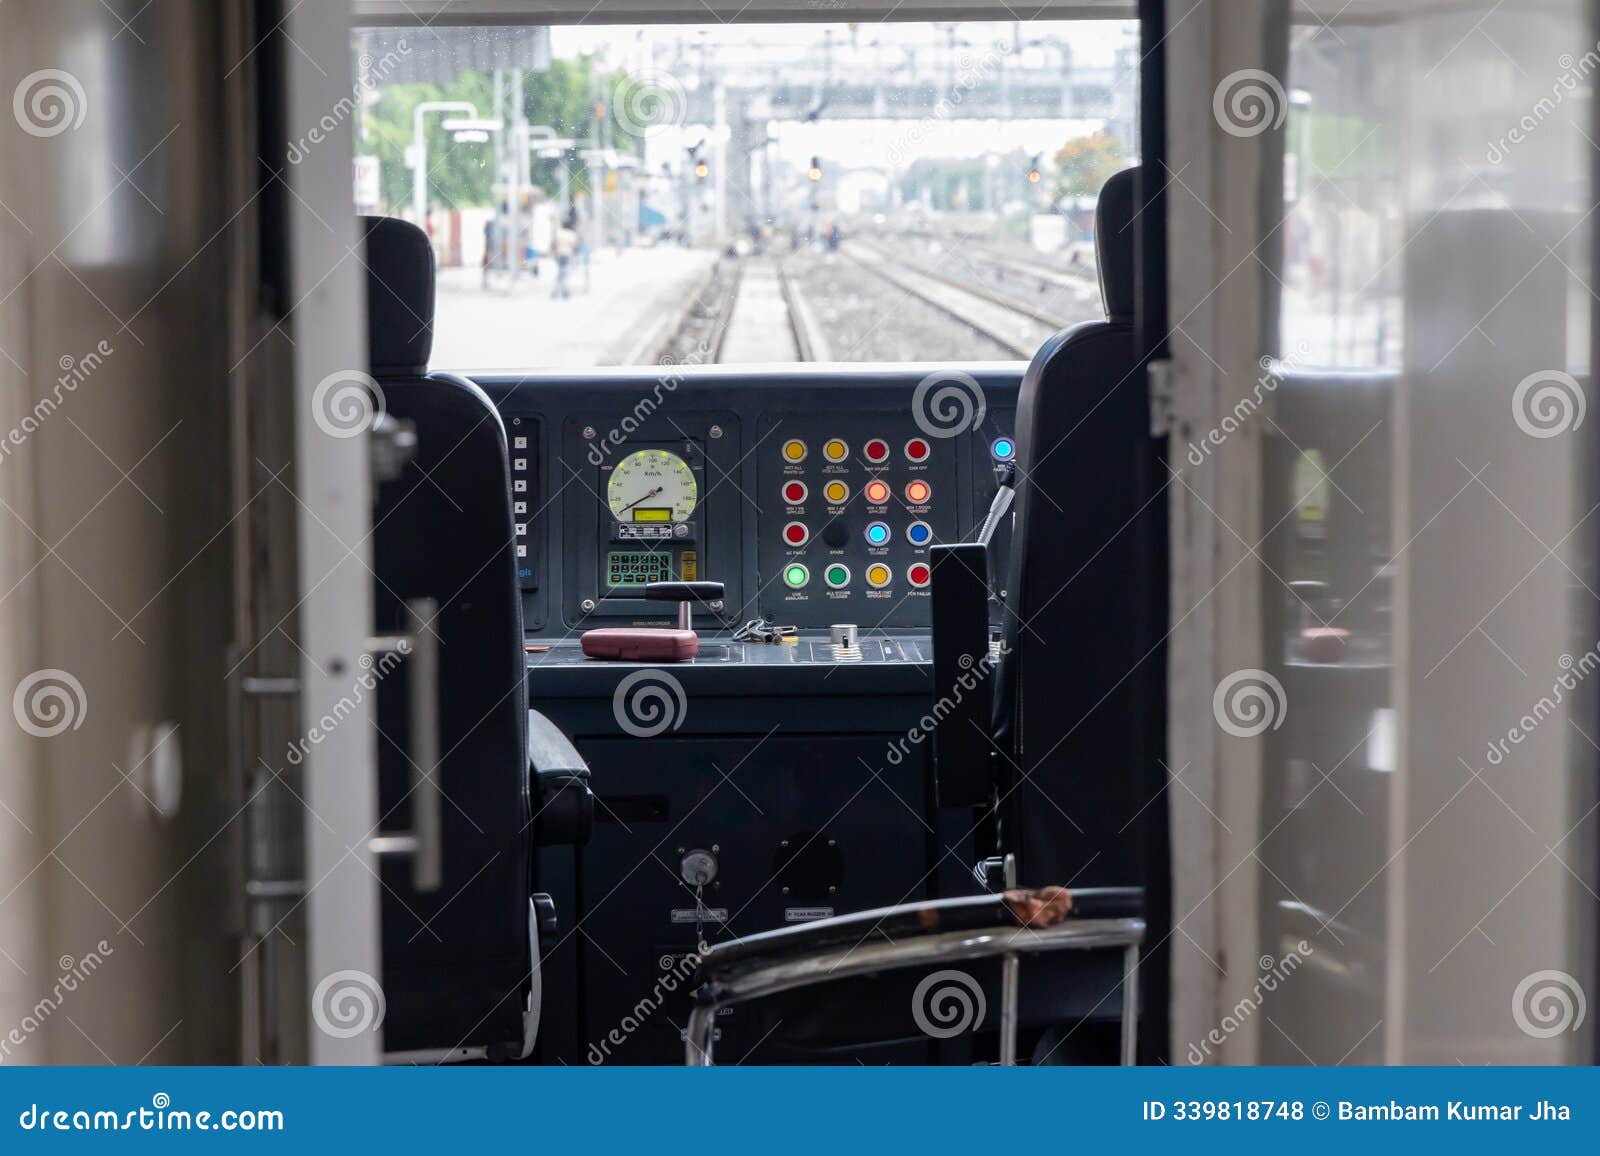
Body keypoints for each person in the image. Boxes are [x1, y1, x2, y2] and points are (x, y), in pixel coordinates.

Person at [553, 215, 578, 300]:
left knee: (560, 273)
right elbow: (574, 247)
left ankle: (556, 291)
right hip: (567, 255)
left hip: (559, 255)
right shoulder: (571, 234)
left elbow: (554, 245)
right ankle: (565, 291)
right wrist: (576, 255)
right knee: (565, 273)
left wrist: (554, 253)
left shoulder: (558, 233)